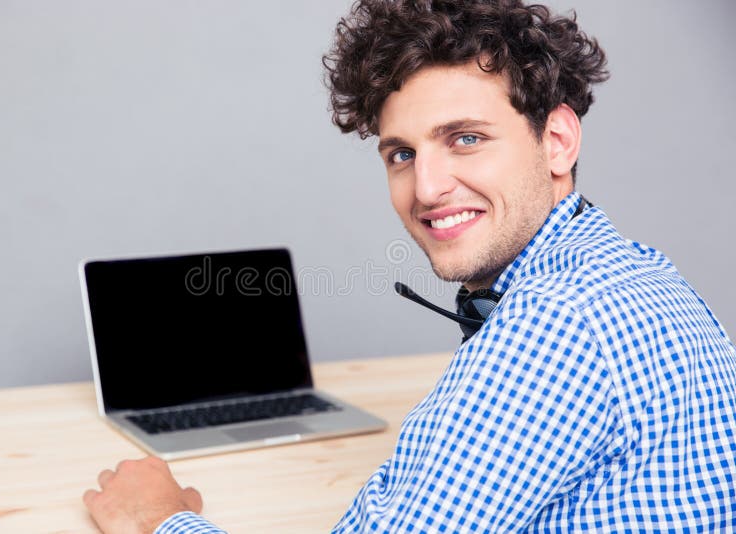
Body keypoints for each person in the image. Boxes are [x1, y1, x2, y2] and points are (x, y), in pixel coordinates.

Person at [83, 1, 736, 531]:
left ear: (557, 141)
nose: (426, 189)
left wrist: (161, 522)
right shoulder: (634, 273)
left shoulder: (556, 322)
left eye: (466, 140)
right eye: (401, 155)